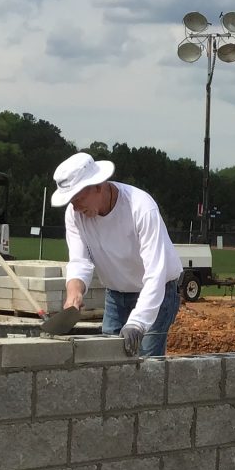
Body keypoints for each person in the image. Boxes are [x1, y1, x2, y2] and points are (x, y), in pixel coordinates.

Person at [52, 152, 182, 357]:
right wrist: (74, 293)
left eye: (77, 198)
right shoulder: (75, 214)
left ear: (98, 186)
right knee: (108, 361)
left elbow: (155, 273)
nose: (74, 206)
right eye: (70, 200)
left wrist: (138, 323)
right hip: (115, 295)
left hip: (157, 291)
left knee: (146, 363)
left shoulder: (140, 207)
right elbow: (79, 261)